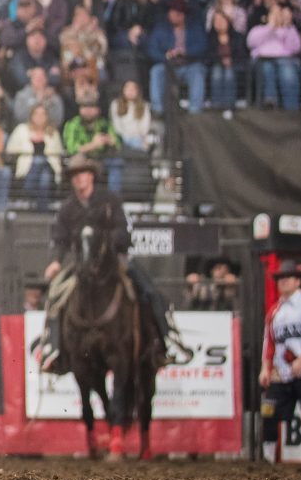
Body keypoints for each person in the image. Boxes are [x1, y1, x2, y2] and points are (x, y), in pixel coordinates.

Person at [38, 155, 189, 373]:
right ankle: (55, 349)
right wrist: (55, 261)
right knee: (55, 296)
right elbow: (60, 238)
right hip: (80, 263)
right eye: (75, 175)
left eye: (83, 173)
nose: (79, 178)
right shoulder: (67, 208)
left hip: (114, 259)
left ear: (91, 175)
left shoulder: (110, 200)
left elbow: (123, 231)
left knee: (150, 291)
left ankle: (165, 341)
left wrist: (108, 243)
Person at [260, 261, 301, 462]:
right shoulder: (274, 311)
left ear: (298, 281)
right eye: (280, 278)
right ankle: (268, 458)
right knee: (268, 412)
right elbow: (269, 341)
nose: (283, 281)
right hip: (281, 371)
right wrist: (265, 368)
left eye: (287, 278)